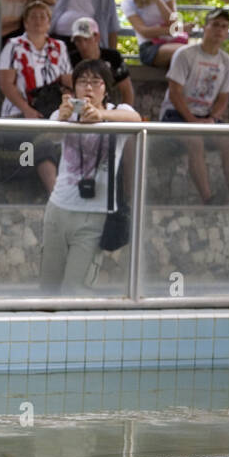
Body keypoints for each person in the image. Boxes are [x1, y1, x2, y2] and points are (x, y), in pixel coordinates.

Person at [39, 58, 141, 295]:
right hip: (58, 209)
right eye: (82, 82)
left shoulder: (117, 112)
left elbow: (136, 120)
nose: (88, 88)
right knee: (48, 288)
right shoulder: (63, 112)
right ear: (73, 88)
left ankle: (74, 330)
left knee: (74, 289)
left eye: (96, 82)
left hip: (94, 216)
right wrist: (63, 118)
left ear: (106, 88)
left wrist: (101, 115)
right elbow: (51, 137)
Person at [160, 7, 229, 205]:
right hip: (176, 115)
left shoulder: (227, 62)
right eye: (215, 25)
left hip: (205, 115)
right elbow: (175, 92)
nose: (219, 30)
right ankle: (208, 198)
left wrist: (213, 119)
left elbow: (223, 98)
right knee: (194, 140)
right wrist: (192, 120)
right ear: (205, 27)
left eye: (224, 26)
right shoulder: (185, 54)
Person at [0, 0, 71, 193]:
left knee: (55, 144)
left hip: (51, 113)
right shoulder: (13, 46)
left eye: (43, 16)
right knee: (33, 150)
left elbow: (67, 79)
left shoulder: (59, 47)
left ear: (49, 22)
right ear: (26, 22)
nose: (38, 20)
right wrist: (27, 110)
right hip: (19, 112)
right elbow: (6, 83)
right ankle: (51, 194)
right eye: (33, 16)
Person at [121, 0, 185, 69]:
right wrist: (173, 30)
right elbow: (144, 32)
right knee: (183, 52)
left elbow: (173, 21)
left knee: (189, 54)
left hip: (173, 41)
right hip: (149, 47)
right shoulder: (128, 2)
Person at [68, 17, 133, 108]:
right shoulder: (70, 59)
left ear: (97, 37)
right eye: (78, 40)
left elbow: (127, 91)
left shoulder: (113, 57)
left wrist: (124, 114)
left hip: (110, 109)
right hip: (80, 109)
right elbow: (69, 91)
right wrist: (78, 114)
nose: (83, 45)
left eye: (86, 39)